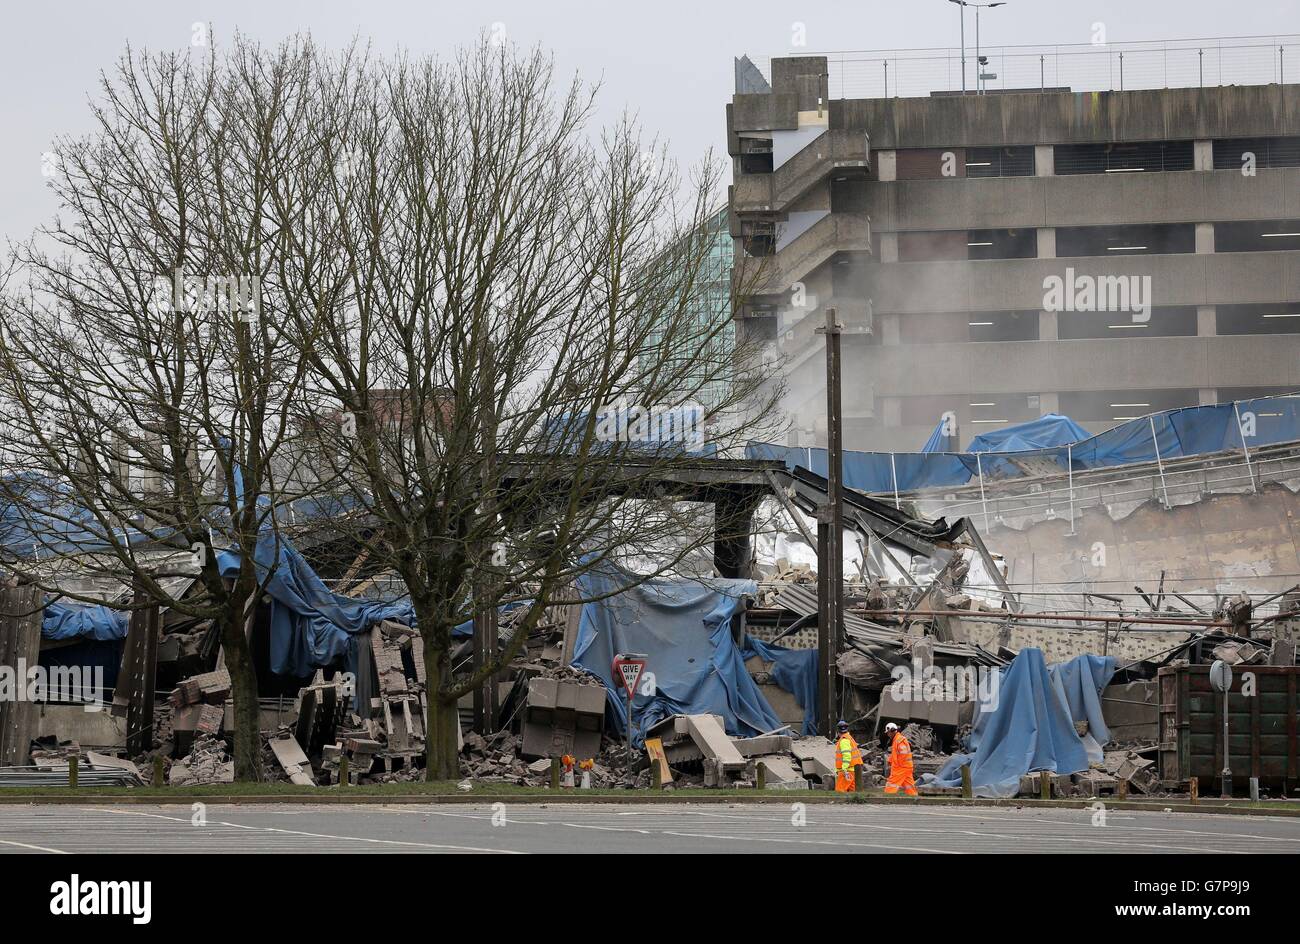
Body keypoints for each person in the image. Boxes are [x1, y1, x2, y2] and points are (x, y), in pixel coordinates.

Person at [883, 722, 917, 796]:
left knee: (892, 783)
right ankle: (913, 797)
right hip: (906, 767)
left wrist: (897, 766)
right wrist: (890, 760)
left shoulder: (899, 740)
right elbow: (895, 753)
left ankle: (887, 797)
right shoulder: (897, 739)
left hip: (901, 767)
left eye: (888, 733)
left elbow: (903, 754)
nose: (888, 735)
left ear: (891, 731)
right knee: (909, 785)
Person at [833, 720, 861, 793]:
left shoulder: (844, 740)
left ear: (838, 731)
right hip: (852, 770)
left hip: (846, 770)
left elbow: (846, 755)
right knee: (853, 792)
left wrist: (844, 768)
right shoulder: (849, 738)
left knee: (840, 792)